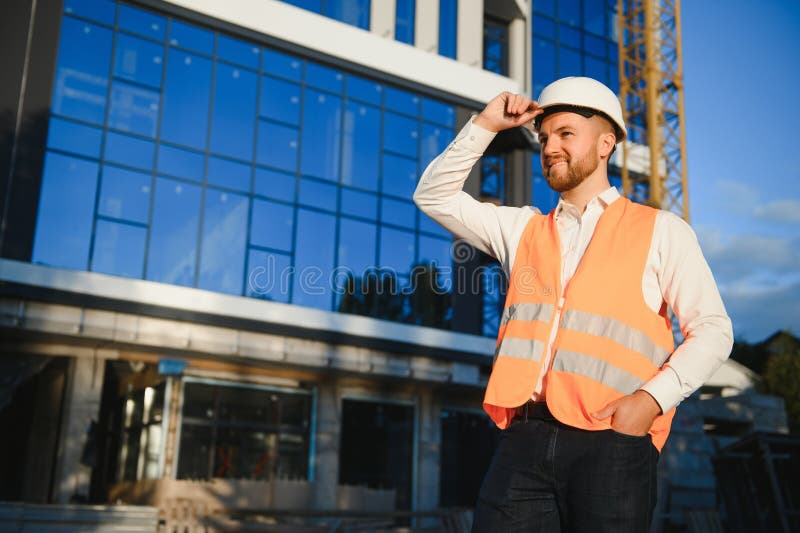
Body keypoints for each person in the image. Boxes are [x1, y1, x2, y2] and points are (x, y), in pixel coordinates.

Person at [413, 77, 733, 532]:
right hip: (522, 439)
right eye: (544, 138)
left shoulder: (662, 230)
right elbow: (433, 195)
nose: (549, 147)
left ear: (607, 143)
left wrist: (649, 402)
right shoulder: (521, 229)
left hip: (614, 440)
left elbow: (714, 330)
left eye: (565, 134)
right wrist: (485, 125)